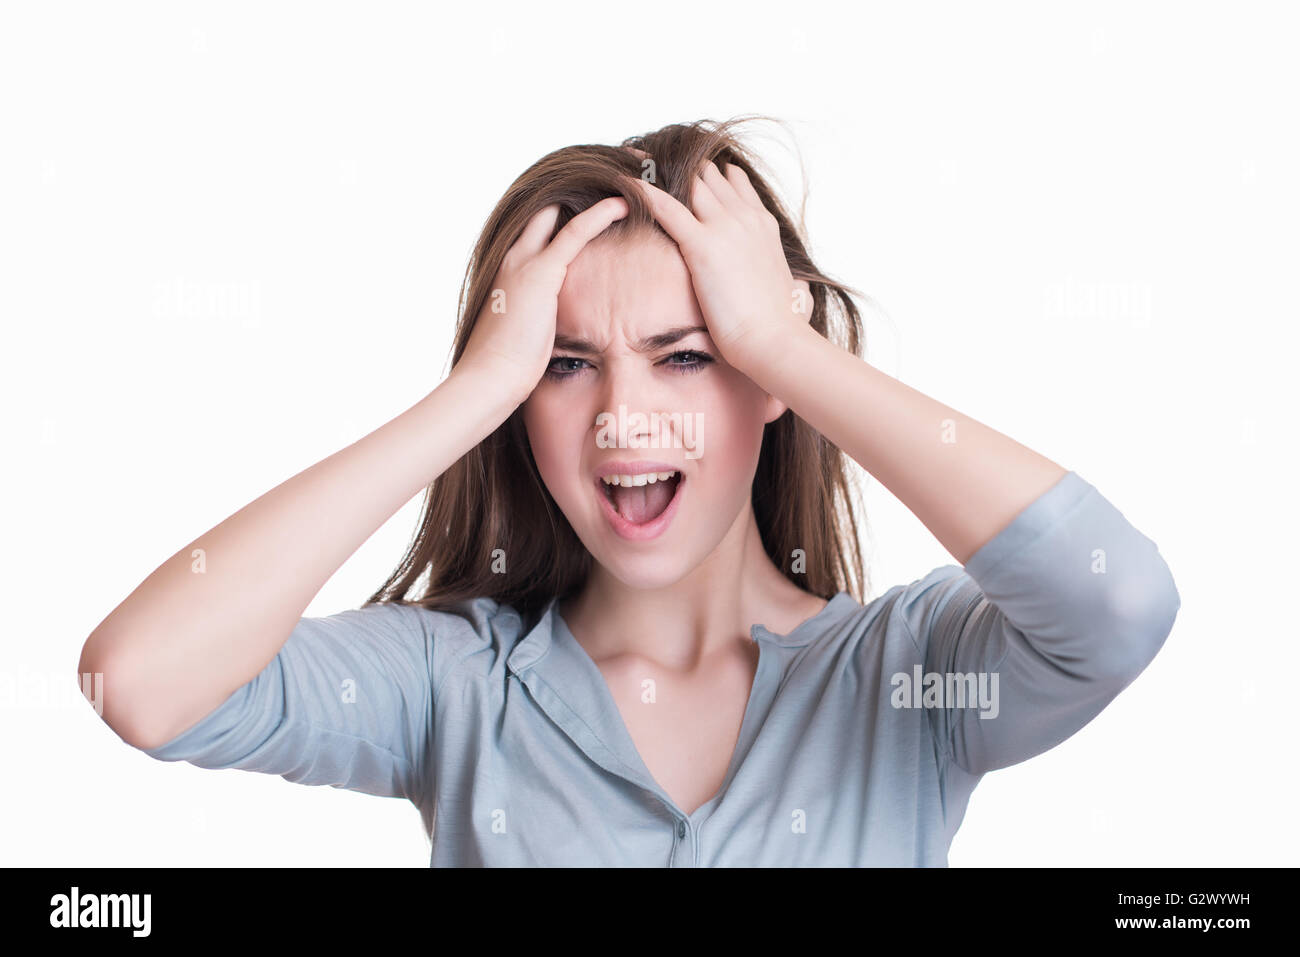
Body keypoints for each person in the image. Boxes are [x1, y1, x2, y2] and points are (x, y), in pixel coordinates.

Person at [78, 117, 1180, 866]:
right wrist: (475, 390)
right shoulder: (452, 688)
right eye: (566, 365)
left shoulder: (906, 679)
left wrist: (782, 345)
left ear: (770, 384)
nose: (622, 416)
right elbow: (140, 681)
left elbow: (1117, 604)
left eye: (688, 356)